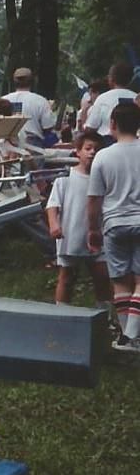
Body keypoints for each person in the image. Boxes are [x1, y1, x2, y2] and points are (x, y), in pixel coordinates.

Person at [87, 103, 140, 352]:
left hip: (113, 223)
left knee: (120, 281)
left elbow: (95, 198)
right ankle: (132, 336)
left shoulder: (103, 156)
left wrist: (93, 229)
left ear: (112, 125)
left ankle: (126, 337)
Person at [46, 131, 113, 313]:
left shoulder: (105, 179)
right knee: (67, 277)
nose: (92, 153)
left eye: (96, 150)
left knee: (102, 276)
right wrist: (54, 224)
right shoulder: (65, 177)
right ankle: (61, 313)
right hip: (71, 235)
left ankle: (104, 315)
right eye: (88, 148)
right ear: (78, 151)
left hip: (99, 237)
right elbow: (53, 205)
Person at [2, 67, 56, 150]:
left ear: (14, 81)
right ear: (32, 81)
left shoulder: (3, 100)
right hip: (32, 144)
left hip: (8, 145)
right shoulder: (40, 101)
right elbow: (48, 127)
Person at [84, 63, 137, 142]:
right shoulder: (136, 98)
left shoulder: (102, 98)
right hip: (134, 143)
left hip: (105, 143)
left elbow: (91, 128)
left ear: (111, 79)